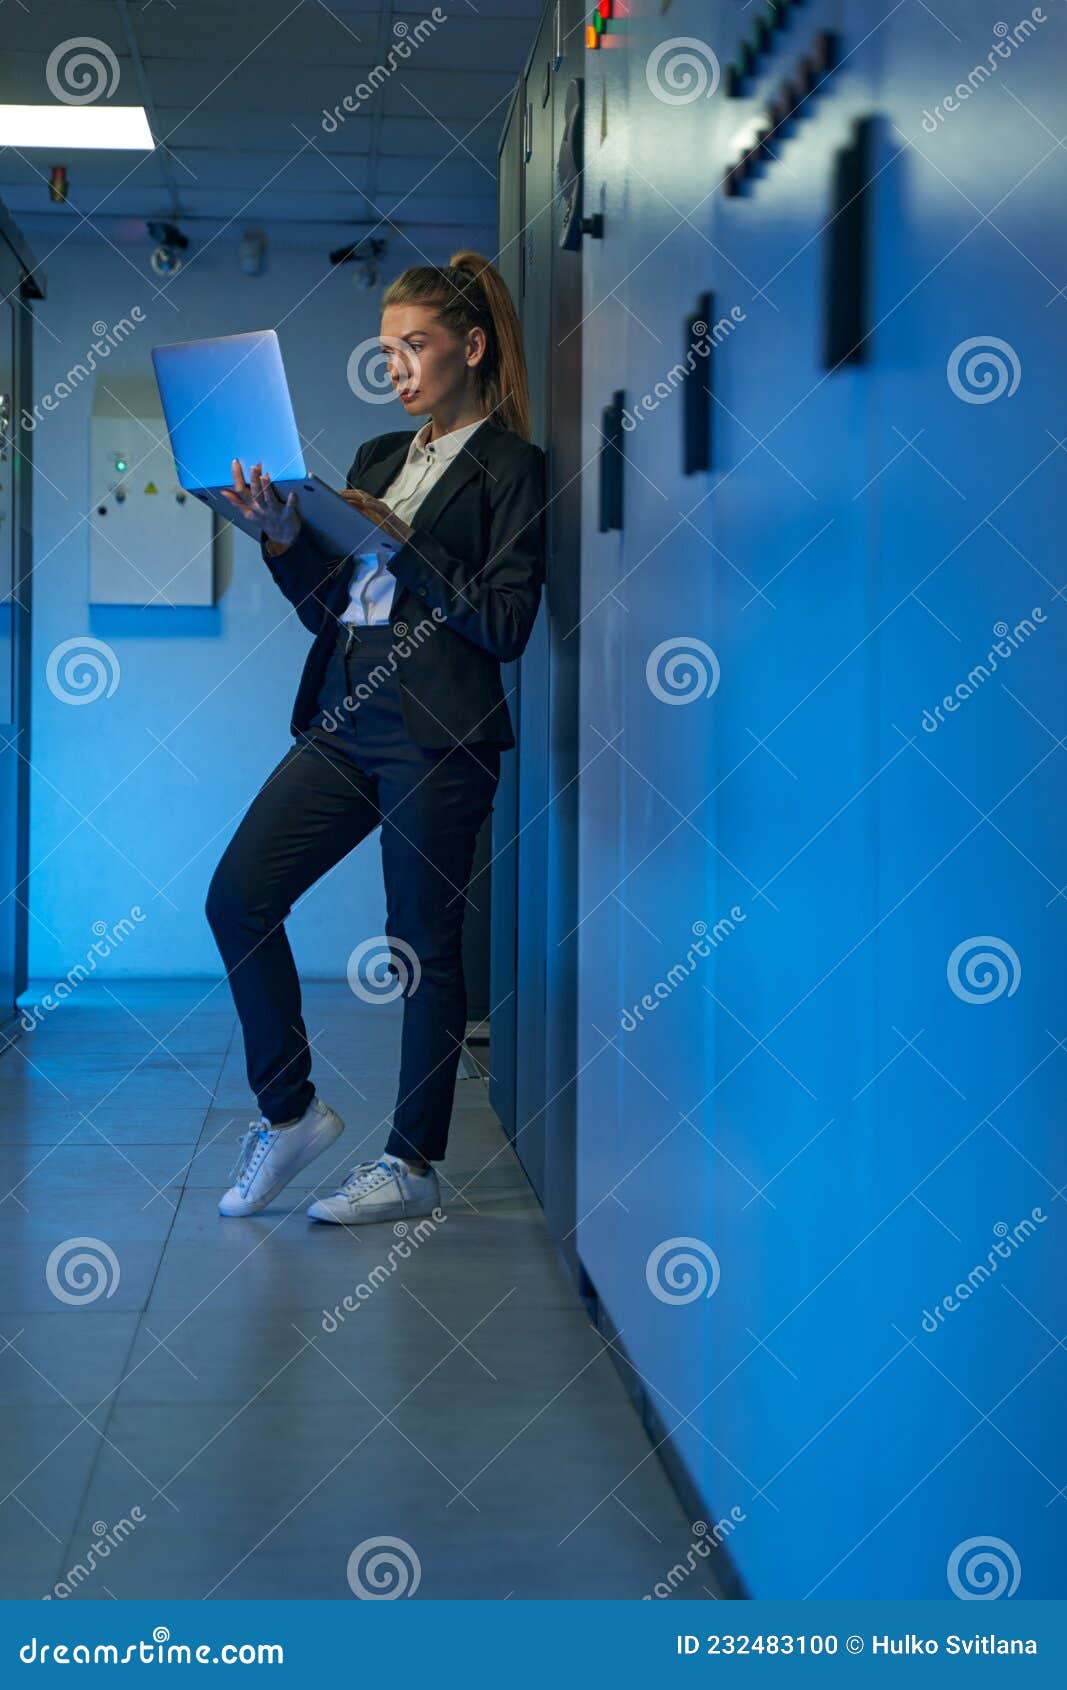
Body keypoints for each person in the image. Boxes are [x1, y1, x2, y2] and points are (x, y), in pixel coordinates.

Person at [205, 251, 546, 1225]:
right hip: (346, 716)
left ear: (470, 348)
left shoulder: (513, 470)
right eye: (385, 349)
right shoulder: (372, 460)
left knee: (419, 947)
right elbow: (329, 609)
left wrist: (402, 543)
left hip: (440, 733)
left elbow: (505, 624)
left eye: (415, 346)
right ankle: (290, 1113)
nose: (394, 368)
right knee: (237, 896)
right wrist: (282, 536)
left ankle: (410, 1165)